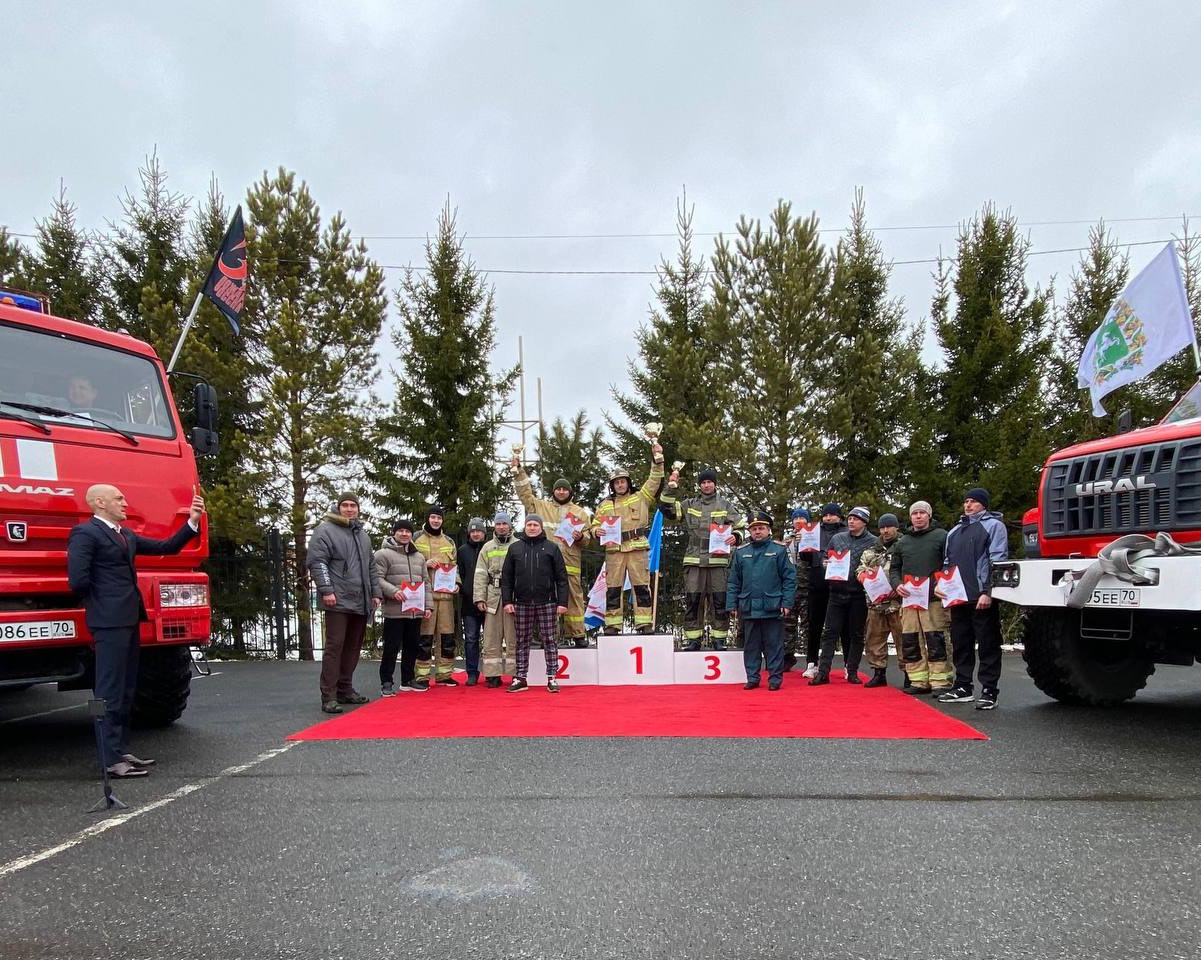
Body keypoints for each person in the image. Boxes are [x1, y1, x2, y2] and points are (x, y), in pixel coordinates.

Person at [67, 484, 204, 778]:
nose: (125, 503)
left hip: (129, 620)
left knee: (127, 688)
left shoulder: (125, 534)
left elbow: (165, 548)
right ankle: (109, 759)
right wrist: (104, 602)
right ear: (99, 502)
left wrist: (192, 521)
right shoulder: (86, 533)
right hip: (108, 621)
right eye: (119, 498)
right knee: (108, 690)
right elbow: (78, 580)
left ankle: (121, 750)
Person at [308, 492, 381, 713]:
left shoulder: (363, 535)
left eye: (353, 505)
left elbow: (371, 567)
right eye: (345, 505)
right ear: (338, 507)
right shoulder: (325, 530)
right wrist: (327, 590)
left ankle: (345, 689)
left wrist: (375, 593)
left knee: (352, 648)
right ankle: (328, 695)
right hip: (337, 601)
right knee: (335, 647)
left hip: (360, 601)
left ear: (358, 508)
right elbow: (317, 562)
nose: (349, 509)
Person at [659, 466, 745, 651]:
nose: (706, 485)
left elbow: (741, 526)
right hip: (694, 561)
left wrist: (736, 537)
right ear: (699, 485)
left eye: (709, 482)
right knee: (693, 601)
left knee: (720, 602)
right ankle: (693, 640)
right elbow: (667, 510)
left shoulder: (726, 505)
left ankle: (719, 640)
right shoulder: (690, 504)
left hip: (718, 562)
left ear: (715, 484)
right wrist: (671, 486)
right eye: (703, 482)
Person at [938, 487, 1008, 710]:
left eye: (973, 502)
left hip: (981, 596)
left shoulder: (994, 526)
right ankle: (963, 686)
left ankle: (989, 690)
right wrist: (942, 584)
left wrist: (988, 592)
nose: (968, 505)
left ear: (983, 504)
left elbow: (997, 560)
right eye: (966, 501)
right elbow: (948, 564)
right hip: (958, 597)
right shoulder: (954, 532)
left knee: (987, 643)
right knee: (961, 642)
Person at [513, 461, 593, 648]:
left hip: (570, 564)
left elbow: (588, 539)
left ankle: (578, 634)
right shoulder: (541, 507)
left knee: (574, 599)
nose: (561, 492)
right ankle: (548, 637)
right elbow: (526, 495)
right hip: (545, 566)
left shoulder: (580, 512)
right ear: (553, 492)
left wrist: (581, 536)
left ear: (570, 492)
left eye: (565, 489)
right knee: (546, 602)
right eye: (558, 489)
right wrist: (519, 473)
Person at [592, 443, 664, 633]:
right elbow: (594, 524)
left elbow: (654, 480)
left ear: (628, 482)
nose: (620, 484)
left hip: (637, 547)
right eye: (616, 482)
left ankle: (644, 622)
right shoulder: (604, 505)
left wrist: (657, 458)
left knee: (641, 586)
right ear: (612, 486)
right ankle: (613, 625)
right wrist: (596, 530)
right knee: (613, 589)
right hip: (614, 550)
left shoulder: (642, 497)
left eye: (623, 481)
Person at [887, 500, 953, 696]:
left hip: (933, 599)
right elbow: (894, 569)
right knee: (910, 640)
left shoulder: (942, 537)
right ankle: (918, 680)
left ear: (929, 515)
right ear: (910, 517)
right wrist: (896, 584)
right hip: (909, 600)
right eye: (914, 513)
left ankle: (941, 681)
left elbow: (949, 564)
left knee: (936, 639)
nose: (918, 516)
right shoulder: (903, 542)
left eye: (922, 513)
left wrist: (944, 583)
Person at [726, 510, 795, 691]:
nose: (757, 532)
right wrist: (732, 604)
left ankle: (774, 679)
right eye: (754, 528)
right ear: (750, 531)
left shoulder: (779, 550)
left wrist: (787, 603)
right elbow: (734, 580)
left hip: (773, 606)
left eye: (761, 528)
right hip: (748, 607)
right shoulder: (741, 553)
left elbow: (789, 578)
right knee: (751, 646)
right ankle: (752, 678)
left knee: (774, 645)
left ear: (769, 530)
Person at [810, 506, 878, 686]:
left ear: (864, 521)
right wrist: (826, 563)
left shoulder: (873, 542)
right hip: (836, 593)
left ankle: (853, 671)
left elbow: (878, 565)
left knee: (856, 634)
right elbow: (826, 557)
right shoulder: (837, 538)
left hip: (858, 595)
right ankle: (823, 672)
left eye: (856, 518)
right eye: (849, 518)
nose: (851, 521)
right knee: (829, 633)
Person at [500, 514, 569, 693]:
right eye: (529, 524)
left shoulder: (552, 548)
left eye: (535, 525)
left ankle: (552, 678)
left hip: (547, 603)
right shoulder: (514, 548)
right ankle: (521, 677)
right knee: (522, 641)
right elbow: (506, 578)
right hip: (521, 603)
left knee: (550, 640)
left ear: (540, 527)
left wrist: (562, 602)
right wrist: (507, 601)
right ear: (525, 527)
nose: (532, 527)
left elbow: (562, 578)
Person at [374, 518, 433, 696]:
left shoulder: (418, 557)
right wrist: (393, 591)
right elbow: (377, 578)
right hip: (394, 610)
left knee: (412, 646)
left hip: (414, 611)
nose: (404, 534)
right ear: (395, 532)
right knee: (391, 647)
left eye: (407, 531)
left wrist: (428, 606)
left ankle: (408, 680)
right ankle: (386, 682)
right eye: (401, 530)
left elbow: (426, 582)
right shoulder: (383, 554)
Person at [800, 504, 848, 678]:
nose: (828, 518)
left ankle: (849, 664)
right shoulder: (813, 531)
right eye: (825, 515)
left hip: (841, 585)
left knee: (844, 626)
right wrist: (803, 546)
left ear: (839, 516)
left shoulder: (847, 531)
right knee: (814, 624)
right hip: (817, 583)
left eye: (832, 515)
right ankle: (812, 663)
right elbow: (805, 558)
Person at [413, 504, 459, 688]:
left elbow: (454, 566)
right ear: (427, 519)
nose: (436, 520)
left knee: (447, 637)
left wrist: (457, 583)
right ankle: (422, 676)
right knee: (424, 637)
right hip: (425, 596)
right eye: (433, 517)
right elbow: (408, 563)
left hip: (446, 597)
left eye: (439, 518)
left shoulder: (449, 541)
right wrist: (425, 563)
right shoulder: (416, 538)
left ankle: (444, 674)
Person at [858, 513, 903, 688]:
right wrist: (862, 576)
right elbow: (861, 567)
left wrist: (898, 586)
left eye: (889, 527)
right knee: (874, 639)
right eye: (882, 527)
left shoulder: (904, 546)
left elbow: (909, 568)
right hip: (875, 603)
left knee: (903, 639)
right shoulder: (871, 550)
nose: (885, 530)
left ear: (896, 527)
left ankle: (909, 674)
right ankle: (878, 673)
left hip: (898, 602)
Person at [474, 511, 517, 687]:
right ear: (494, 526)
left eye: (504, 524)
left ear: (509, 525)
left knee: (514, 635)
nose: (501, 527)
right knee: (491, 636)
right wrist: (479, 598)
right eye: (498, 524)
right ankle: (493, 674)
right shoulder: (487, 547)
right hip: (492, 596)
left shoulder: (518, 545)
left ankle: (517, 673)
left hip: (512, 597)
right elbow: (480, 574)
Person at [457, 517, 488, 684]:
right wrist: (460, 587)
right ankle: (472, 672)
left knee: (490, 639)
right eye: (473, 531)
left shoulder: (490, 548)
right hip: (469, 603)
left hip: (488, 601)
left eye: (479, 531)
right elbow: (459, 574)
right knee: (471, 638)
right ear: (469, 533)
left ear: (484, 532)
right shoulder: (462, 551)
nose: (476, 534)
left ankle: (491, 673)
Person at [782, 507, 812, 671]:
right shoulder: (788, 539)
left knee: (809, 625)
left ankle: (811, 659)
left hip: (808, 588)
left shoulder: (813, 537)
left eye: (802, 518)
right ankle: (787, 657)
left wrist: (805, 541)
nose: (799, 520)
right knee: (788, 625)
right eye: (796, 518)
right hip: (791, 588)